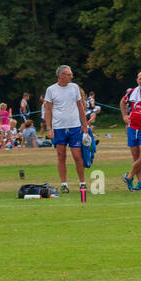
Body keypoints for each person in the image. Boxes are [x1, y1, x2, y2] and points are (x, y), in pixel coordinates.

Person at [42, 65, 89, 199]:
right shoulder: (51, 90)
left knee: (77, 155)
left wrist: (84, 124)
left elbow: (80, 106)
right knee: (61, 156)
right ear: (61, 75)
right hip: (58, 128)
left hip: (75, 127)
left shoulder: (74, 87)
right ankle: (64, 184)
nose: (71, 76)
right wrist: (49, 128)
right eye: (69, 74)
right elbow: (48, 110)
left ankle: (82, 183)